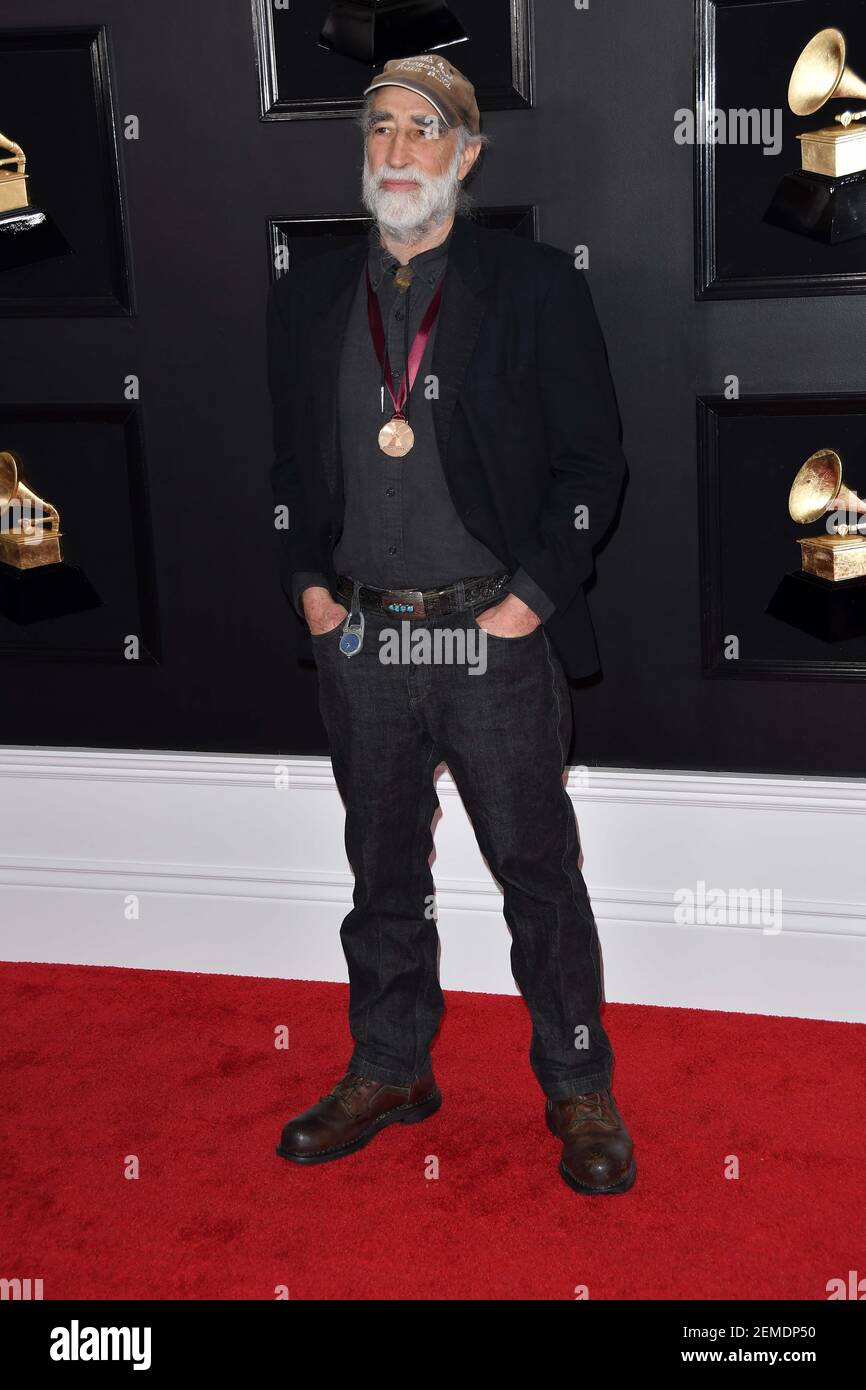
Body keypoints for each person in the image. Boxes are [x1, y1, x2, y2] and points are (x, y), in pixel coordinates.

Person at [266, 53, 634, 1195]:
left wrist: (529, 597)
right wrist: (309, 585)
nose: (394, 150)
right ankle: (388, 1066)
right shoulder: (306, 294)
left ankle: (576, 1085)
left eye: (422, 130)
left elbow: (591, 464)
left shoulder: (532, 287)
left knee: (536, 871)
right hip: (364, 641)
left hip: (487, 637)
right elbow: (290, 467)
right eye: (378, 129)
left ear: (465, 156)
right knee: (379, 871)